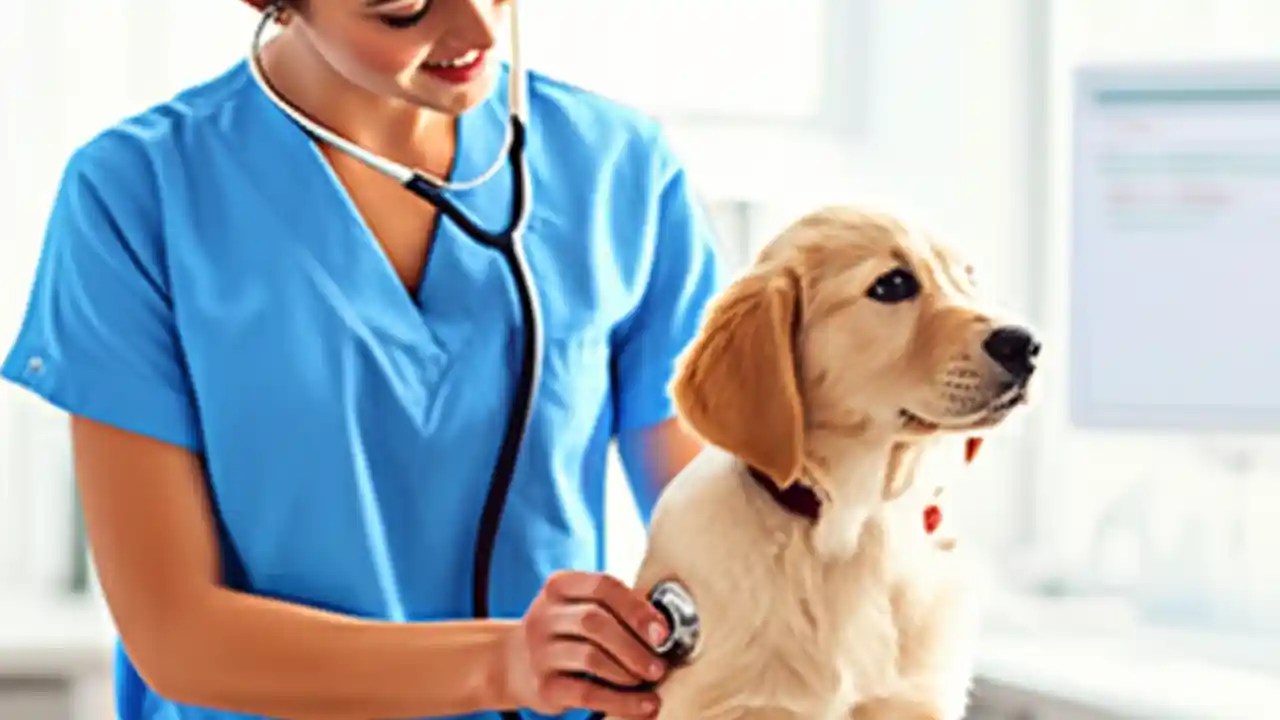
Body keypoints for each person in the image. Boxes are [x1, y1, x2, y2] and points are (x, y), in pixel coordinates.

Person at [0, 0, 723, 718]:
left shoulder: (618, 170)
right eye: (404, 9)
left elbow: (725, 539)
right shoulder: (136, 196)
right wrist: (503, 663)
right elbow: (175, 635)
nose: (477, 29)